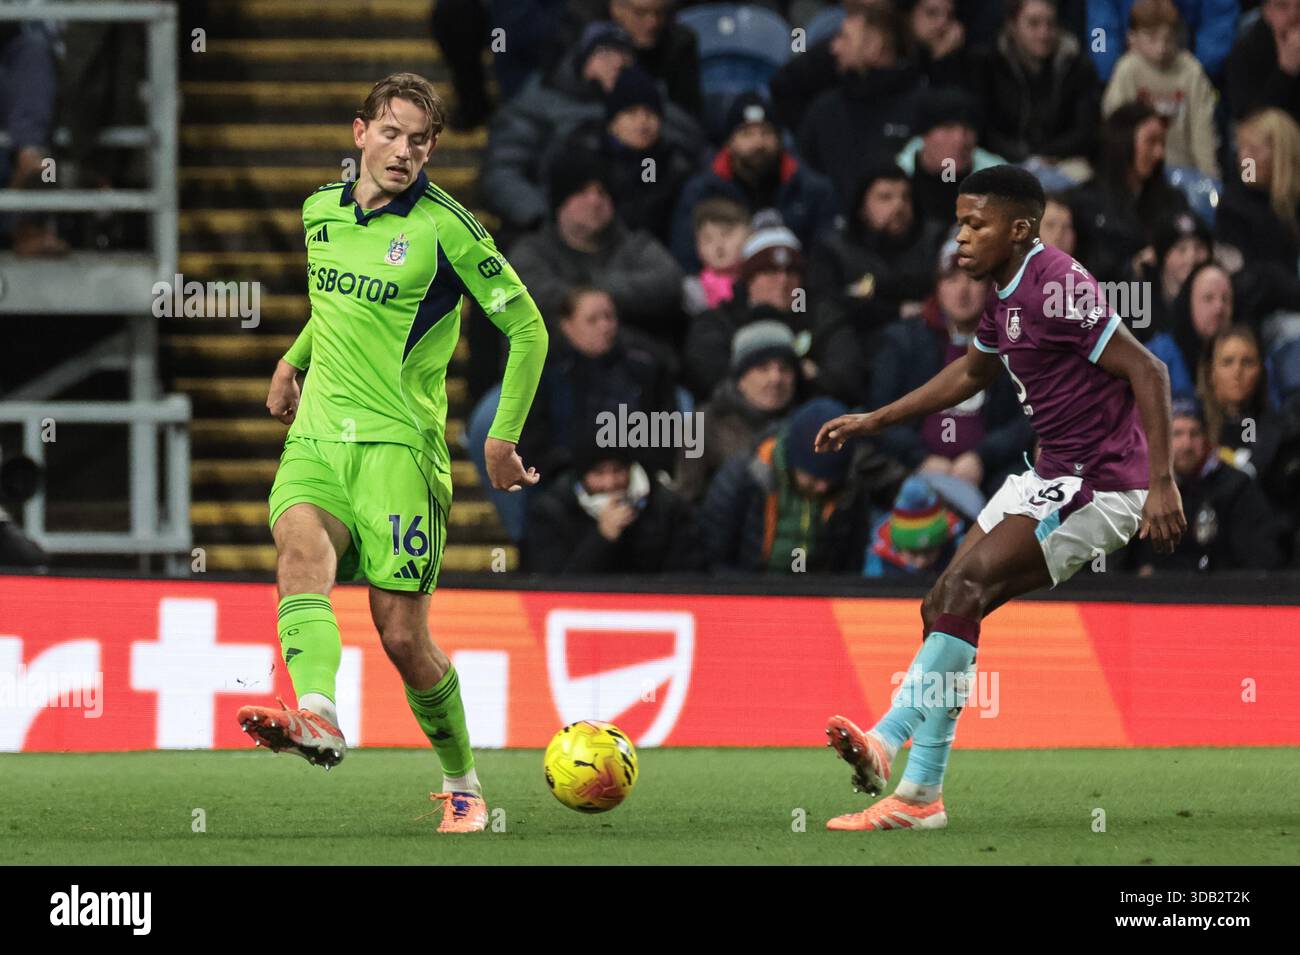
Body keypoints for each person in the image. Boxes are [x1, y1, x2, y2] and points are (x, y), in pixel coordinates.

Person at [813, 165, 1184, 831]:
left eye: (976, 224)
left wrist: (1162, 482)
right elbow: (972, 370)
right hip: (1053, 473)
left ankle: (889, 746)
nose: (962, 237)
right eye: (959, 222)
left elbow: (1147, 368)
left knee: (963, 591)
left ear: (1020, 229)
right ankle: (919, 792)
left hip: (1103, 480)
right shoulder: (1004, 290)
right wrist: (877, 419)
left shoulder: (1059, 285)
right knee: (944, 601)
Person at [249, 74, 549, 834]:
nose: (403, 151)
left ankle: (463, 783)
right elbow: (336, 302)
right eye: (390, 133)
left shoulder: (450, 229)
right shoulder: (320, 210)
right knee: (298, 548)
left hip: (399, 454)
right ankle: (316, 710)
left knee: (402, 636)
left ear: (432, 149)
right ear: (360, 132)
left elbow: (529, 329)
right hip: (319, 436)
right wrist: (292, 359)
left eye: (419, 141)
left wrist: (502, 435)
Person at [865, 237, 1034, 497]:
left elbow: (1030, 416)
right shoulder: (903, 341)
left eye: (973, 279)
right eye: (952, 279)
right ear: (938, 286)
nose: (962, 291)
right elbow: (880, 415)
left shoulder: (1014, 341)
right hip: (912, 472)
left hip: (992, 475)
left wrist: (981, 457)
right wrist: (921, 459)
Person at [509, 152, 685, 347]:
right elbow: (523, 294)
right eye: (581, 192)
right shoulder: (532, 250)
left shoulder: (635, 244)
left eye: (602, 192)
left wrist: (597, 291)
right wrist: (582, 301)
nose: (594, 201)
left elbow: (669, 281)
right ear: (560, 203)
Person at [700, 397, 875, 573]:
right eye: (814, 478)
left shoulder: (850, 490)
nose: (823, 487)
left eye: (831, 479)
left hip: (821, 593)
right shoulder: (743, 477)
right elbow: (714, 557)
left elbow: (852, 561)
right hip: (751, 590)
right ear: (793, 462)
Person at [670, 92, 840, 271]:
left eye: (766, 133)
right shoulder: (702, 191)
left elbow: (828, 256)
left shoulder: (811, 189)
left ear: (780, 140)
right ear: (729, 142)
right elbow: (686, 259)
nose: (758, 143)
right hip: (719, 293)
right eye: (746, 134)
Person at [1129, 398, 1285, 572]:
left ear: (1207, 439)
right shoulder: (1141, 489)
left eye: (1194, 433)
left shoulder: (1237, 486)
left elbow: (1261, 559)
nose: (1186, 444)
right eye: (1177, 434)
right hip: (1153, 595)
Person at [552, 66, 704, 244]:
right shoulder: (583, 151)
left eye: (650, 114)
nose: (642, 122)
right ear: (613, 122)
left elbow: (652, 215)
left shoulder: (666, 163)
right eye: (631, 113)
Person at [796, 5, 925, 203]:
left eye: (844, 37)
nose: (833, 48)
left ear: (874, 44)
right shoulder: (825, 109)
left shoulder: (922, 106)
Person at [524, 443, 705, 574]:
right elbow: (551, 588)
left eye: (617, 470)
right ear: (581, 476)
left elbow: (687, 575)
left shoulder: (666, 506)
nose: (609, 483)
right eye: (599, 473)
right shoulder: (551, 512)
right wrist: (602, 538)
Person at [676, 320, 802, 502]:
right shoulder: (703, 423)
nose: (776, 378)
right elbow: (687, 497)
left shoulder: (804, 421)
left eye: (784, 369)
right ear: (741, 379)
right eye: (762, 368)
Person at [974, 0, 1101, 180]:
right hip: (1002, 160)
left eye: (1050, 24)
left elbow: (1085, 131)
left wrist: (1043, 155)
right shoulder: (989, 63)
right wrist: (1023, 156)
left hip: (1063, 161)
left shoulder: (1077, 66)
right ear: (1012, 26)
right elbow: (983, 128)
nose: (1044, 33)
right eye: (1033, 24)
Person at [1069, 100, 1189, 283]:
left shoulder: (1173, 199)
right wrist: (1132, 267)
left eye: (1162, 143)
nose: (1160, 154)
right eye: (1151, 142)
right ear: (1123, 141)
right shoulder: (1086, 202)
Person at [1101, 0, 1220, 179]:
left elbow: (1202, 131)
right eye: (1152, 38)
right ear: (1132, 37)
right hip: (1137, 172)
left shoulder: (1191, 71)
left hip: (1184, 169)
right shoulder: (1127, 69)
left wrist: (1209, 177)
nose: (1161, 48)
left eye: (1169, 38)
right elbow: (1116, 127)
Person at [1146, 259, 1232, 397]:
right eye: (1208, 298)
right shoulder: (1159, 355)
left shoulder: (1245, 354)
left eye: (1226, 299)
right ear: (1188, 304)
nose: (1219, 308)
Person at [863, 474, 966, 579]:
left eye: (928, 551)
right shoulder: (879, 563)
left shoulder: (959, 552)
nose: (921, 562)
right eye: (913, 553)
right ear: (897, 548)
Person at [1224, 0, 1300, 121]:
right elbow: (1249, 120)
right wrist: (1286, 72)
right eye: (1282, 6)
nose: (1294, 14)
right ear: (1266, 11)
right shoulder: (1246, 51)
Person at [682, 197, 750, 316]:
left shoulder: (761, 282)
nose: (718, 245)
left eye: (726, 234)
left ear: (749, 234)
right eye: (708, 239)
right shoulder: (691, 292)